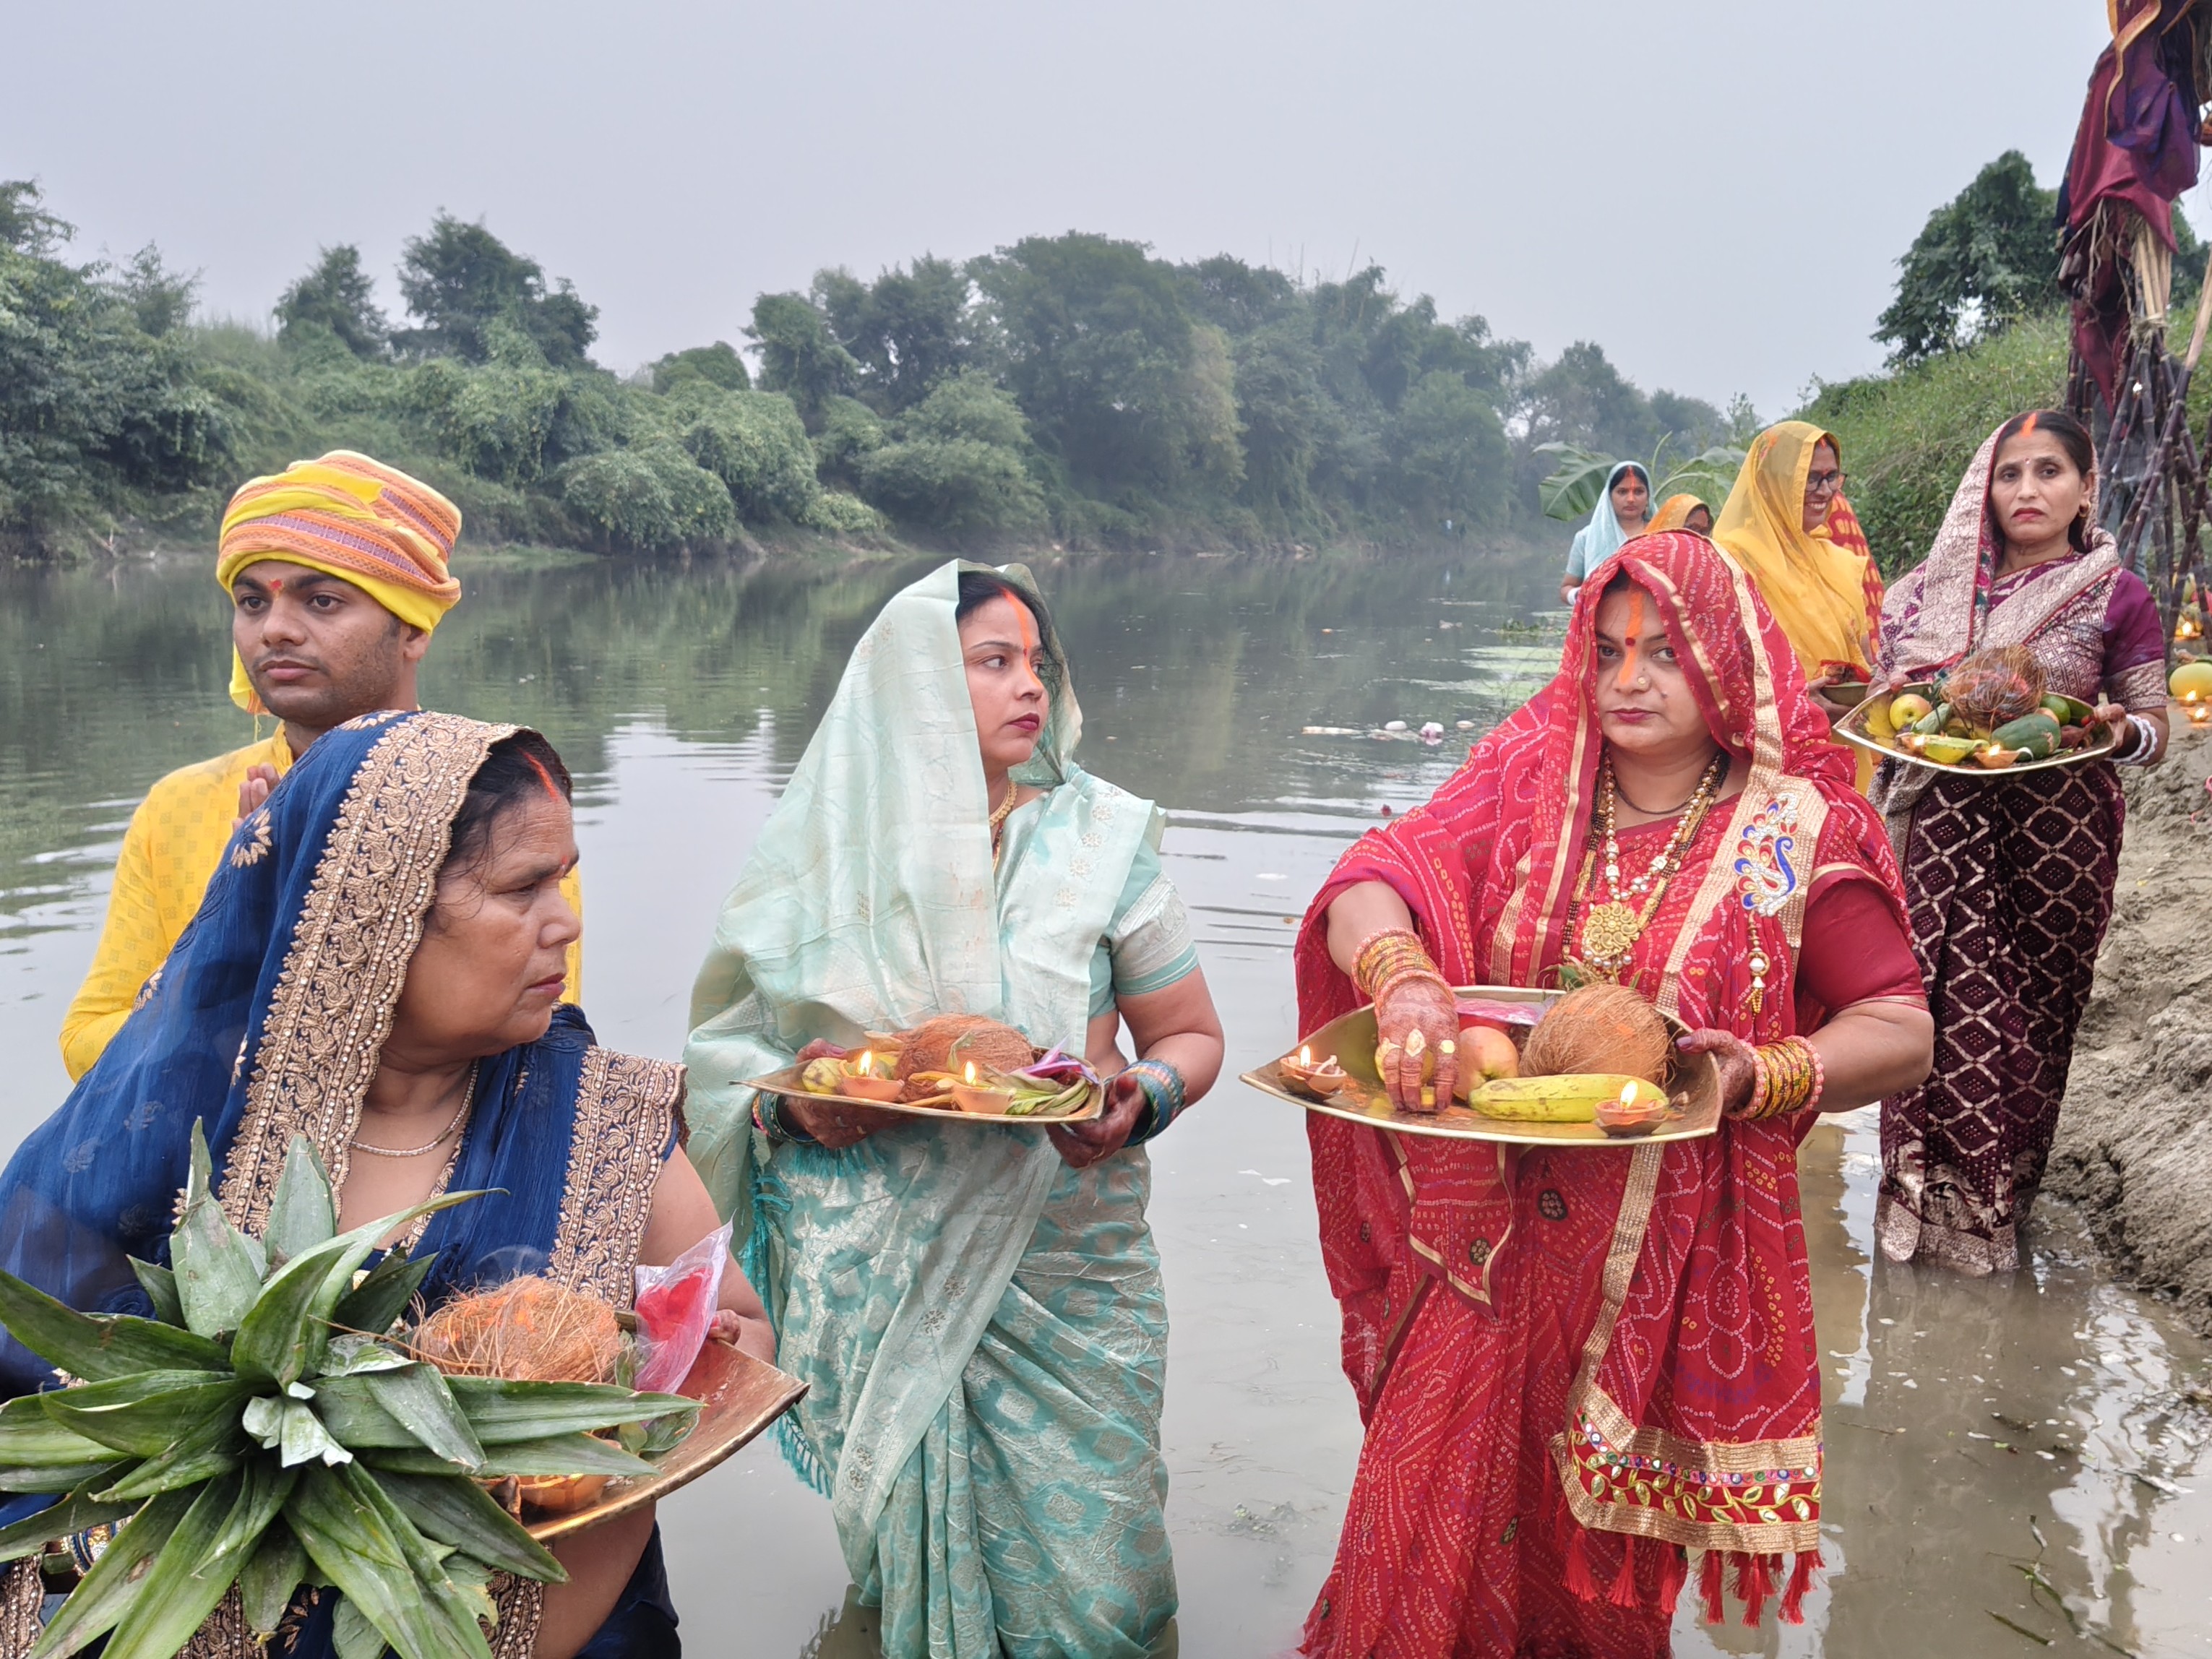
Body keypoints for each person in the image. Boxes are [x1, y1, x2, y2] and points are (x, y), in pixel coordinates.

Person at [0, 712, 770, 1658]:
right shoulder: (191, 1127)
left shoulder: (595, 1114)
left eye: (562, 878)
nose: (566, 920)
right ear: (378, 913)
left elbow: (735, 1325)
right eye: (523, 886)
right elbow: (36, 1405)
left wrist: (674, 1372)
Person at [1295, 530, 1933, 1658]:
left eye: (1663, 655)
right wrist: (1401, 981)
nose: (1625, 681)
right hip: (1479, 1255)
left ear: (1726, 664)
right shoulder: (1533, 774)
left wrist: (1760, 1072)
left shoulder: (1791, 830)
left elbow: (1898, 1029)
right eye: (1606, 650)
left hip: (1651, 1276)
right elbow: (1373, 876)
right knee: (1407, 1549)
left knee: (1591, 1602)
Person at [683, 561, 1225, 1659]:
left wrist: (1141, 1100)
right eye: (993, 662)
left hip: (1070, 1271)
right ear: (917, 691)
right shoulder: (823, 867)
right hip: (888, 1284)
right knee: (912, 1576)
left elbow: (1193, 1038)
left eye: (1037, 663)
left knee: (1106, 1586)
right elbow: (732, 1061)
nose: (1029, 685)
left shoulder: (1100, 844)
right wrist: (804, 1111)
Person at [57, 451, 582, 1081]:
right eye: (252, 602)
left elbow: (539, 1030)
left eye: (323, 602)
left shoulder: (494, 794)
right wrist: (237, 943)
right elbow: (87, 1045)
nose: (276, 628)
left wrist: (299, 942)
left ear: (413, 629)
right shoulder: (180, 806)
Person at [1872, 410, 2169, 1275]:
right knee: (1927, 1015)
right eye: (2009, 474)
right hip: (1939, 836)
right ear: (1984, 489)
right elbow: (1891, 712)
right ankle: (1915, 1225)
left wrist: (2118, 734)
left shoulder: (2117, 593)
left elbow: (2154, 725)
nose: (2026, 491)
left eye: (2048, 472)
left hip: (2058, 847)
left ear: (2085, 490)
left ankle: (2001, 1213)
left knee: (2031, 1027)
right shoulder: (1928, 597)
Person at [1713, 422, 1886, 723]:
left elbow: (1863, 656)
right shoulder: (1731, 560)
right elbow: (1716, 669)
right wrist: (1792, 700)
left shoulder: (1838, 562)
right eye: (1811, 479)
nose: (1826, 491)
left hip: (1843, 735)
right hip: (1771, 740)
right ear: (1773, 482)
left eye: (1832, 477)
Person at [1559, 462, 1651, 606]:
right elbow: (1566, 589)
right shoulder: (1586, 538)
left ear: (1648, 497)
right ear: (1609, 497)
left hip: (1652, 624)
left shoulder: (1661, 535)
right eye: (1622, 492)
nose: (1631, 499)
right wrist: (1580, 595)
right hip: (1599, 624)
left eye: (1639, 492)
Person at [1647, 493, 1713, 537]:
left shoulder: (1704, 556)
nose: (1698, 536)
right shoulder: (1645, 553)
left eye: (1703, 532)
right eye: (1692, 529)